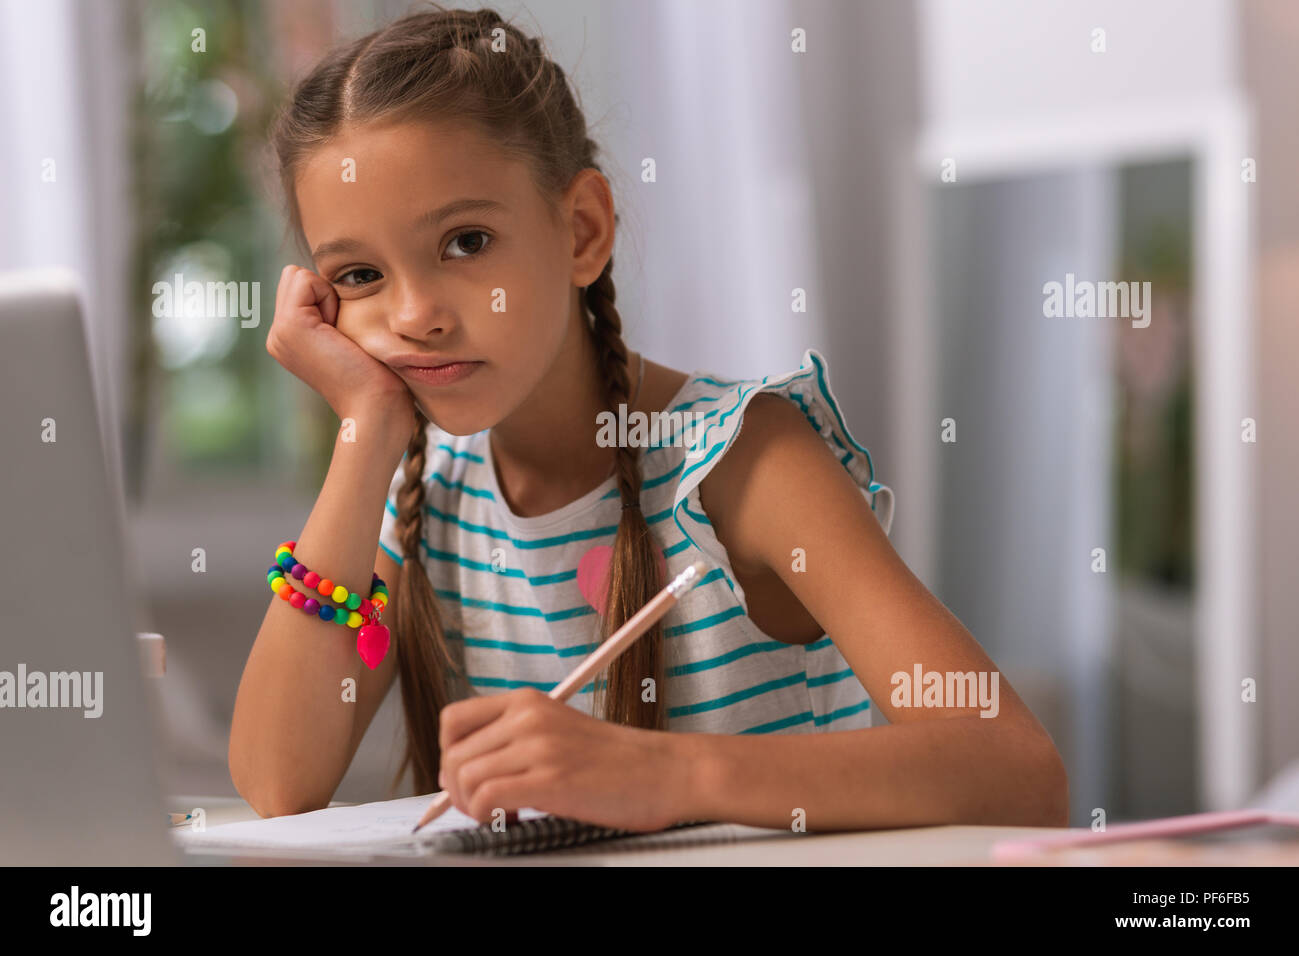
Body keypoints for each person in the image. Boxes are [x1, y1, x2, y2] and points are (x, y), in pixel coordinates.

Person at [230, 4, 1067, 833]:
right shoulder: (425, 492)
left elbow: (1017, 770)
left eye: (466, 243)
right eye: (362, 276)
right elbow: (278, 781)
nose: (415, 315)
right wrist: (365, 427)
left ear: (582, 230)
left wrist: (665, 775)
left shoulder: (742, 458)